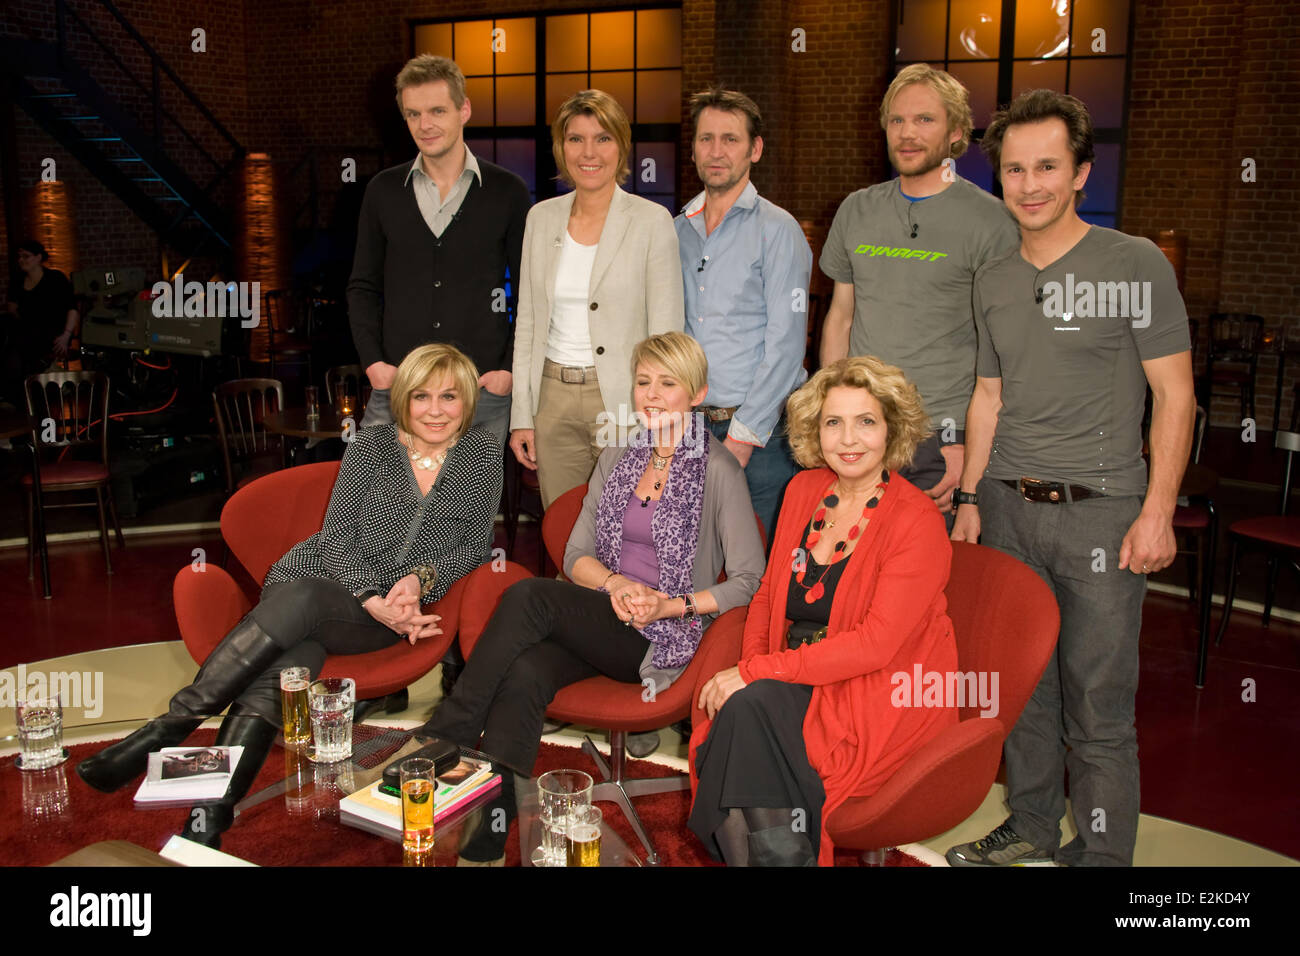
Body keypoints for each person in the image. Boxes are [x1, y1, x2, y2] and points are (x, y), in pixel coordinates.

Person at [76, 344, 503, 847]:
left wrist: (416, 582)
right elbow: (338, 535)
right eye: (422, 396)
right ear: (404, 399)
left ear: (468, 401)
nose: (435, 409)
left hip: (386, 612)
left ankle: (171, 727)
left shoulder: (481, 457)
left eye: (449, 397)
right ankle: (209, 816)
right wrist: (371, 595)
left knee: (293, 637)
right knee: (293, 642)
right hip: (326, 582)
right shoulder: (371, 445)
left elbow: (474, 546)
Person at [946, 90, 1194, 867]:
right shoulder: (992, 278)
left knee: (1098, 708)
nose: (1030, 184)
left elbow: (1176, 395)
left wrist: (1158, 512)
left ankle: (1099, 858)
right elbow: (988, 396)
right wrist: (967, 500)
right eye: (1015, 169)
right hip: (1006, 507)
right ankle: (1028, 824)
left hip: (1102, 515)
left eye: (1047, 166)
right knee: (1021, 690)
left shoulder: (1134, 264)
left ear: (1082, 171)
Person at [427, 332, 764, 862]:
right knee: (526, 673)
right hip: (604, 615)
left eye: (668, 384)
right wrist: (616, 584)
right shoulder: (618, 457)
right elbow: (577, 552)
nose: (651, 395)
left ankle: (447, 733)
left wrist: (667, 604)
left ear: (697, 394)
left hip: (659, 635)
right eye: (643, 381)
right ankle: (487, 836)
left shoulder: (718, 469)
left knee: (530, 597)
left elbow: (749, 579)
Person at [689, 355, 958, 866]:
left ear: (891, 430)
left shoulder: (916, 520)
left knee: (744, 716)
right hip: (793, 676)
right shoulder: (804, 489)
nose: (849, 439)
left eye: (866, 422)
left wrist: (756, 674)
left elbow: (877, 645)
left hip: (878, 688)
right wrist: (752, 670)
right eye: (834, 422)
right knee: (747, 712)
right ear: (816, 430)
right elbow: (768, 597)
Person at [819, 64, 1019, 521]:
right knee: (852, 575)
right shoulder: (857, 210)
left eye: (924, 120)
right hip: (863, 431)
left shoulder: (993, 222)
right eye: (896, 120)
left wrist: (967, 445)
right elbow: (841, 318)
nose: (907, 133)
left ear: (956, 131)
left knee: (926, 583)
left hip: (939, 440)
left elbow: (1006, 351)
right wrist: (832, 420)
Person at [509, 90, 685, 508]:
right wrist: (522, 415)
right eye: (575, 139)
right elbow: (528, 323)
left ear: (621, 146)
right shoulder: (540, 218)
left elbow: (667, 332)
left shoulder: (651, 222)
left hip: (625, 401)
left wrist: (660, 415)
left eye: (603, 138)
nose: (589, 152)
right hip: (552, 401)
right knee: (564, 528)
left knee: (625, 526)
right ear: (561, 147)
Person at [348, 55, 531, 447]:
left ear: (464, 109)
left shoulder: (508, 192)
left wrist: (509, 370)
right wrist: (374, 364)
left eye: (436, 110)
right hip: (398, 389)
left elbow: (532, 291)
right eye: (413, 114)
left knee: (466, 509)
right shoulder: (381, 191)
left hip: (481, 393)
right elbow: (362, 286)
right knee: (379, 504)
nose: (424, 124)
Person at [675, 88, 810, 541]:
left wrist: (743, 436)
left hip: (763, 433)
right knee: (701, 556)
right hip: (692, 427)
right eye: (706, 138)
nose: (716, 152)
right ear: (693, 147)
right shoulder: (677, 230)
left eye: (730, 139)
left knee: (763, 560)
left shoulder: (778, 230)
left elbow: (787, 347)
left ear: (754, 149)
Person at [2, 239, 79, 407]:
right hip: (26, 330)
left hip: (51, 332)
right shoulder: (18, 281)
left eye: (26, 256)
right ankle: (19, 396)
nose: (21, 260)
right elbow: (12, 309)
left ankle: (24, 394)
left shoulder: (55, 278)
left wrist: (66, 335)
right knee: (12, 341)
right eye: (19, 257)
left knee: (20, 349)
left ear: (38, 258)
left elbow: (72, 308)